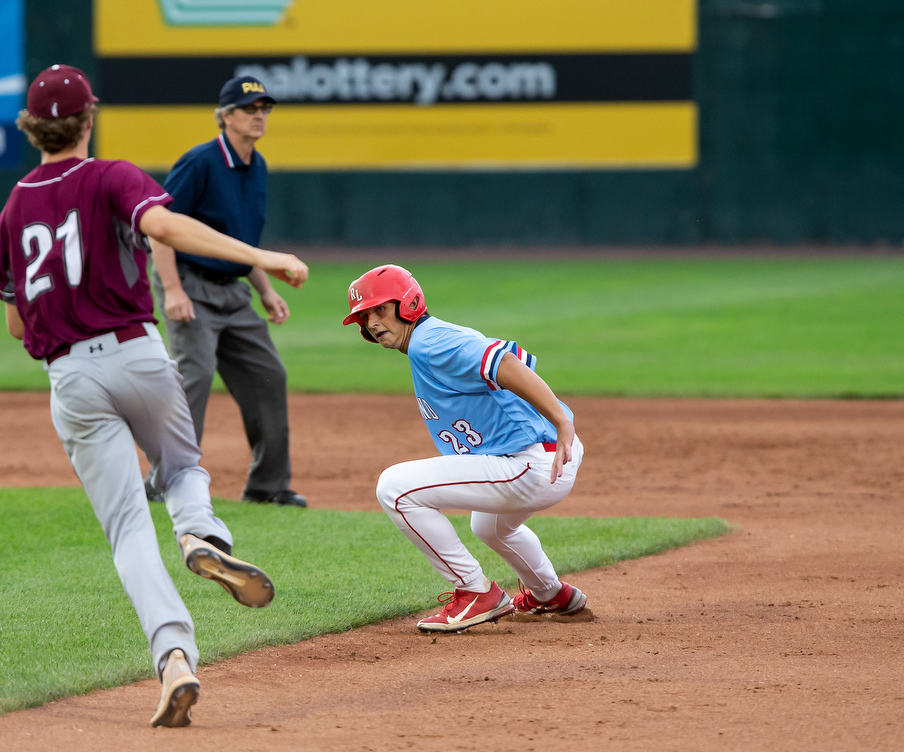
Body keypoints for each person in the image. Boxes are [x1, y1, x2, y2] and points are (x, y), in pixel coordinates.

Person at [0, 65, 308, 727]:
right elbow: (167, 229)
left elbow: (17, 322)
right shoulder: (110, 176)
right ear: (88, 119)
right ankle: (201, 534)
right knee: (181, 468)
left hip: (71, 379)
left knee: (126, 534)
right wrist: (270, 259)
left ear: (33, 128)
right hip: (137, 353)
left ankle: (173, 656)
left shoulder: (14, 208)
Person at [342, 264, 588, 633]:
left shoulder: (430, 341)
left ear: (408, 303)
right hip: (540, 460)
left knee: (395, 487)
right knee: (489, 526)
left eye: (380, 309)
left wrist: (562, 419)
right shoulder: (426, 342)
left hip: (533, 462)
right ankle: (550, 593)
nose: (373, 322)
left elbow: (504, 361)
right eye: (365, 315)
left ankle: (475, 592)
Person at [146, 74, 306, 508]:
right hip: (189, 282)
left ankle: (267, 485)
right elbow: (158, 229)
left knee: (268, 376)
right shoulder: (200, 162)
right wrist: (173, 290)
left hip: (232, 288)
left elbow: (240, 241)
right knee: (192, 379)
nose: (259, 116)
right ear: (225, 116)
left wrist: (265, 290)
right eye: (249, 109)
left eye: (264, 109)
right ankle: (165, 482)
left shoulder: (258, 165)